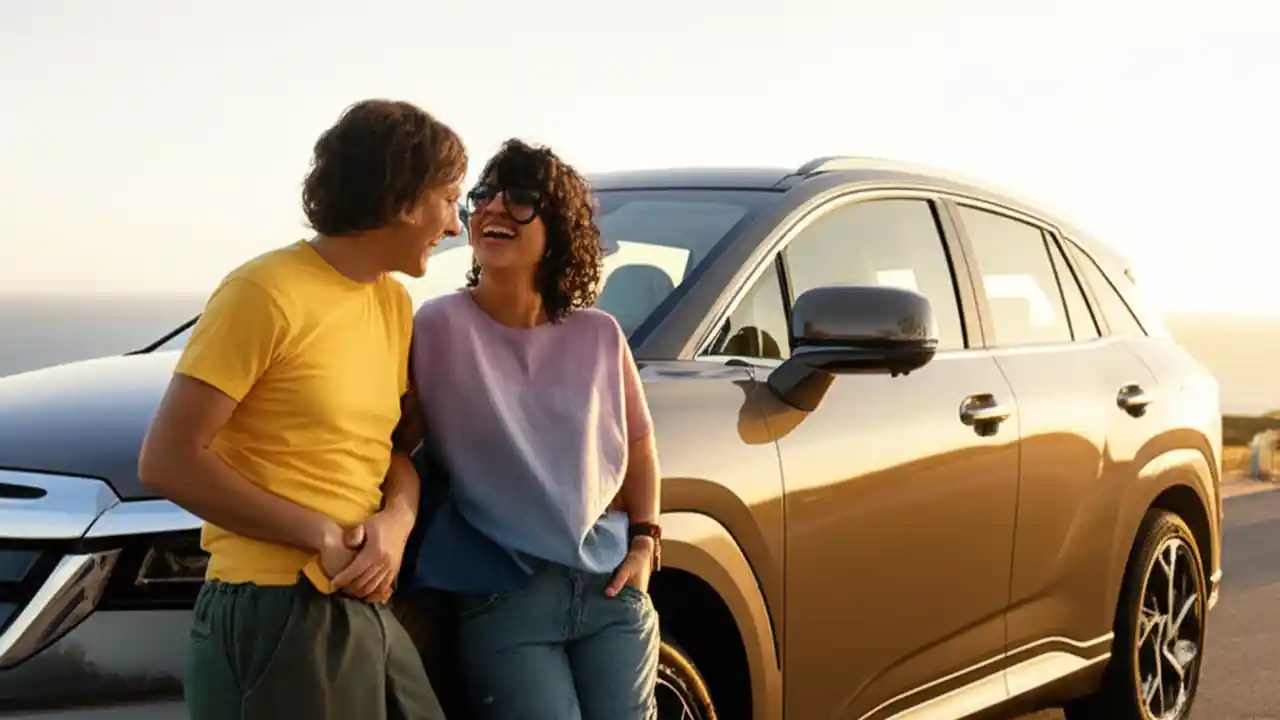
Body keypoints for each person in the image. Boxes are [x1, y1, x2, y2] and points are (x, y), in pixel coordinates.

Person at [137, 98, 466, 720]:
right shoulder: (264, 292)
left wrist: (395, 524)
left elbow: (387, 452)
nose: (456, 225)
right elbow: (168, 461)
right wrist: (315, 532)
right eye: (449, 199)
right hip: (275, 603)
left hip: (358, 598)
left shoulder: (393, 305)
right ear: (400, 199)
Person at [399, 138, 663, 720]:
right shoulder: (437, 327)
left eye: (521, 199)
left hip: (609, 590)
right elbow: (395, 441)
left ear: (558, 230)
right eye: (485, 195)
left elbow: (639, 445)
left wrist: (645, 540)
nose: (493, 208)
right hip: (504, 595)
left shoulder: (599, 334)